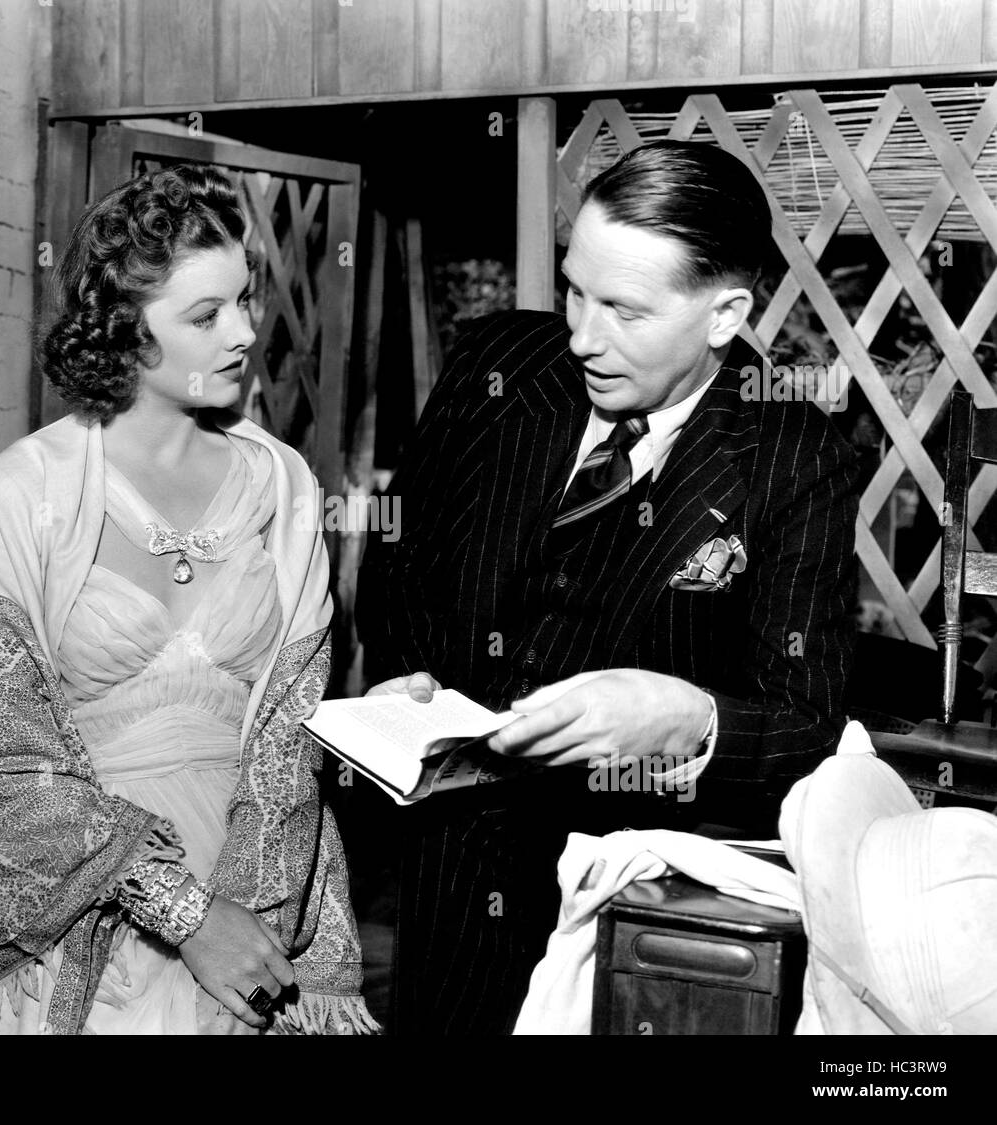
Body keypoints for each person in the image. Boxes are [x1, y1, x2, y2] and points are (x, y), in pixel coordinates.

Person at [356, 139, 861, 1035]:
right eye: (574, 290)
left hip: (632, 923)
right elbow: (398, 562)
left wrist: (691, 719)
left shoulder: (795, 462)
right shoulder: (495, 367)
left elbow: (811, 731)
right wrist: (407, 681)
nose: (583, 335)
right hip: (445, 886)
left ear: (724, 313)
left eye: (624, 309)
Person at [0, 163, 377, 1035]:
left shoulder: (286, 484)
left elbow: (287, 739)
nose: (245, 332)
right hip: (83, 912)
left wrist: (247, 935)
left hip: (259, 894)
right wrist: (186, 915)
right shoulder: (23, 492)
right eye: (206, 315)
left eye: (244, 299)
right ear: (124, 330)